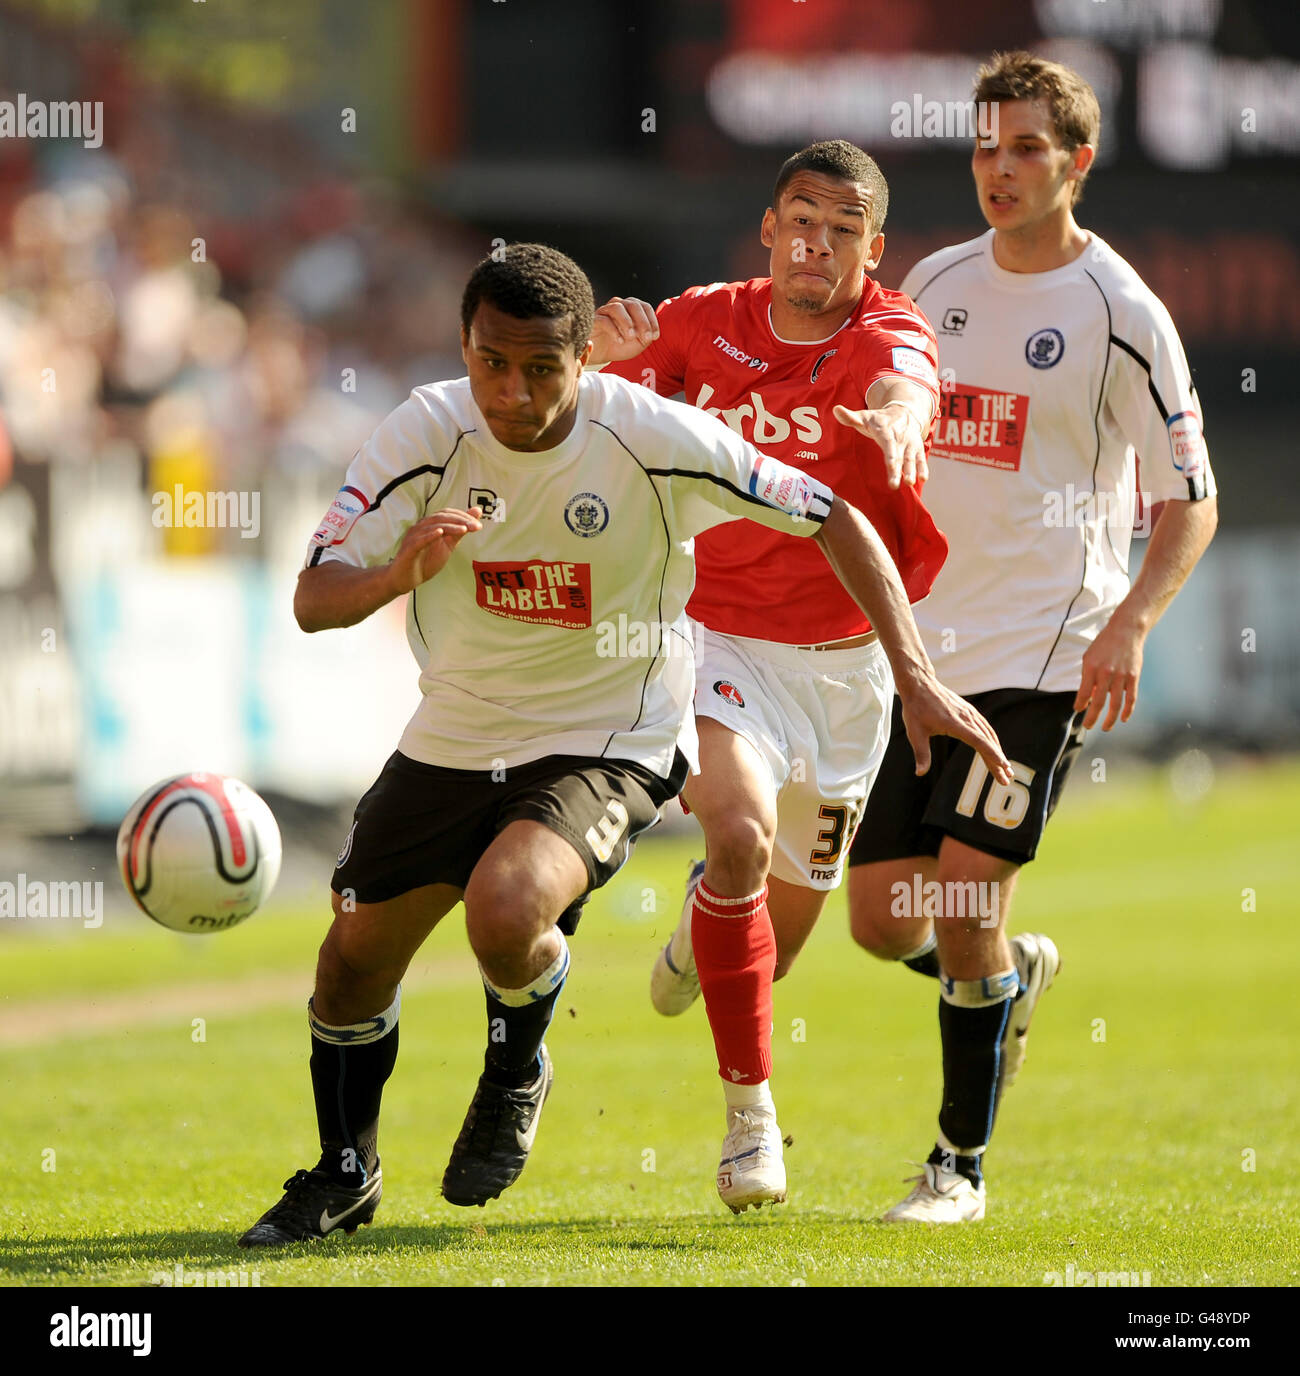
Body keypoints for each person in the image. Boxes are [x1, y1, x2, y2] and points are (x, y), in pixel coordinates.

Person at [236, 242, 1010, 1245]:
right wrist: (395, 573)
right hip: (454, 730)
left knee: (505, 905)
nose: (510, 391)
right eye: (488, 362)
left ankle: (515, 1061)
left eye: (540, 366)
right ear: (463, 347)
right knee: (348, 965)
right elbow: (311, 597)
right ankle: (345, 1171)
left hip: (608, 736)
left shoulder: (651, 435)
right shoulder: (422, 430)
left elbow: (835, 516)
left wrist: (914, 673)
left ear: (581, 357)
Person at [846, 51, 1219, 1222]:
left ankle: (956, 1165)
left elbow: (1190, 494)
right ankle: (1007, 984)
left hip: (1042, 654)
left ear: (1077, 161)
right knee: (880, 919)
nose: (997, 171)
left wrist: (1130, 624)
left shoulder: (1122, 313)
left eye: (1023, 150)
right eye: (982, 147)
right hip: (923, 647)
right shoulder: (937, 279)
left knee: (962, 900)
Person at [589, 140, 958, 1212]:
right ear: (767, 226)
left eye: (843, 229)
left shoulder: (885, 330)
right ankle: (751, 1123)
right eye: (801, 218)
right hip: (718, 638)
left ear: (872, 250)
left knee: (771, 951)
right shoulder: (705, 320)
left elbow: (909, 384)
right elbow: (591, 410)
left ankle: (708, 916)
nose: (817, 242)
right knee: (739, 832)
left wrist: (896, 419)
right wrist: (597, 357)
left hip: (846, 672)